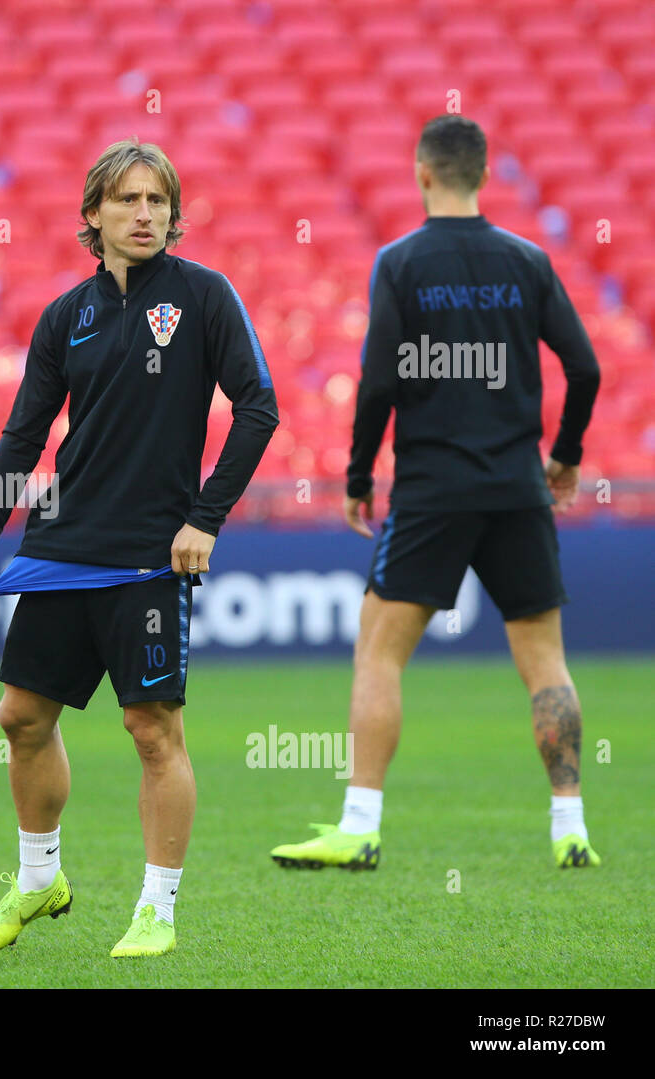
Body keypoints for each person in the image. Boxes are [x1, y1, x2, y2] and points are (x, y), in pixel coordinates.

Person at [0, 139, 278, 957]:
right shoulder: (66, 314)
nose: (144, 214)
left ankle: (156, 907)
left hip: (150, 555)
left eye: (157, 201)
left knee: (151, 727)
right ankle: (37, 880)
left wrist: (205, 518)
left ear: (173, 214)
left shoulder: (204, 296)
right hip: (61, 545)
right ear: (93, 215)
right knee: (20, 716)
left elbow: (258, 407)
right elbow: (22, 437)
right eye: (126, 200)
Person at [271, 115, 602, 872]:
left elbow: (381, 381)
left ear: (423, 172)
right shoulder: (528, 260)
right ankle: (570, 824)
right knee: (546, 661)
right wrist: (566, 456)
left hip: (430, 490)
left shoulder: (400, 262)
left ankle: (359, 825)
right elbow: (584, 368)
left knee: (380, 655)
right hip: (518, 487)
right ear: (484, 174)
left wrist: (358, 478)